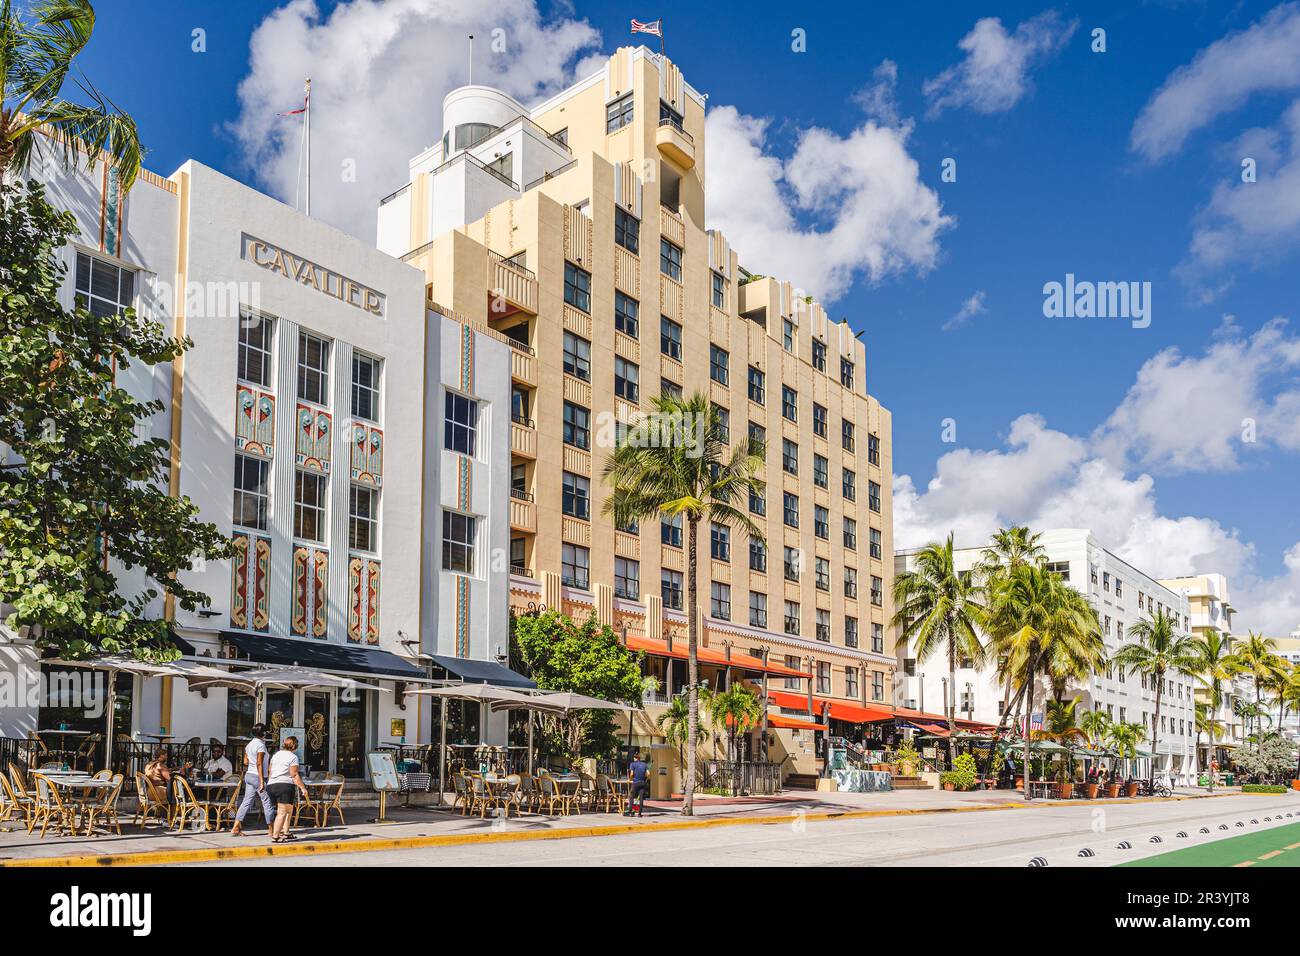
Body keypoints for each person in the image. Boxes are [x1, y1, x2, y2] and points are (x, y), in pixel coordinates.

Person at [231, 724, 275, 837]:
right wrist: (261, 781)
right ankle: (272, 829)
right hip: (257, 776)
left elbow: (246, 762)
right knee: (267, 801)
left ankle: (236, 826)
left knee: (246, 802)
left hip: (249, 775)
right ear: (263, 733)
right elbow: (259, 763)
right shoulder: (260, 745)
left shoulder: (249, 745)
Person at [267, 736, 311, 843]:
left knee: (289, 809)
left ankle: (286, 832)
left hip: (272, 784)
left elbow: (270, 770)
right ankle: (276, 836)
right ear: (295, 746)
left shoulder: (276, 755)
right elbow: (294, 774)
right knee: (282, 812)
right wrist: (303, 788)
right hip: (285, 785)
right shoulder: (293, 757)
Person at [623, 751, 650, 817]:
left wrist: (630, 779)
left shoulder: (632, 764)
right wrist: (646, 779)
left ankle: (629, 811)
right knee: (641, 798)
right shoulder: (644, 764)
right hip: (643, 782)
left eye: (634, 757)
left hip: (635, 782)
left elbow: (631, 774)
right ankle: (639, 813)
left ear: (635, 758)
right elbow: (648, 774)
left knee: (631, 796)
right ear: (639, 758)